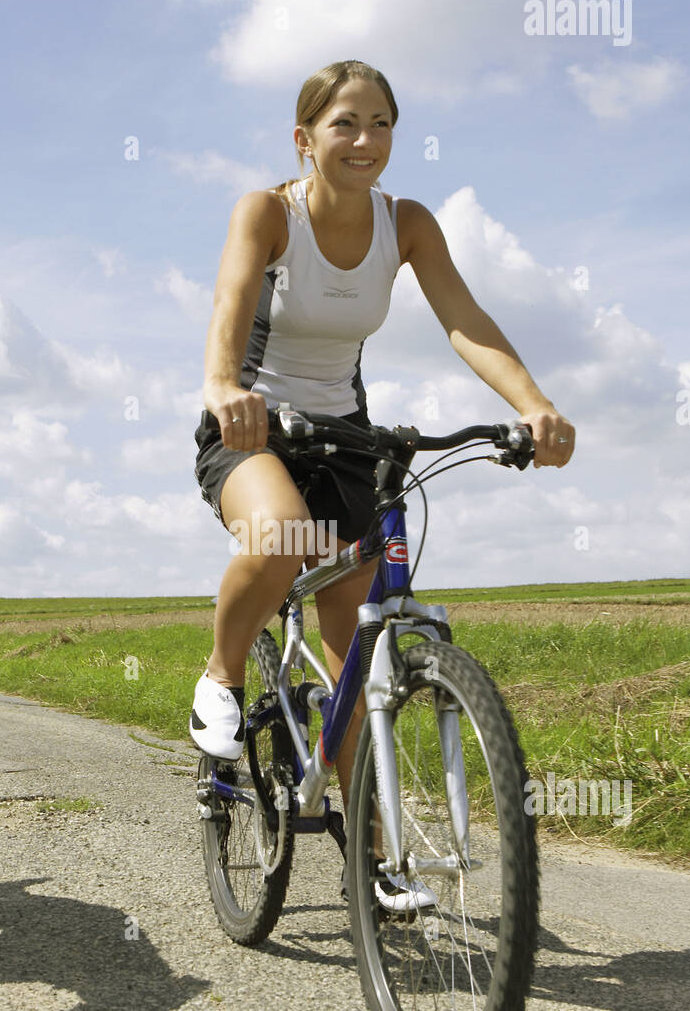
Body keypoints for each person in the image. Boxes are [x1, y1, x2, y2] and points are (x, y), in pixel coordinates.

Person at [190, 60, 575, 893]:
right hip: (252, 426)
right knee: (280, 535)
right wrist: (225, 387)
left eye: (382, 125)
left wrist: (534, 406)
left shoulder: (407, 224)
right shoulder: (268, 212)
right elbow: (230, 300)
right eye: (345, 124)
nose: (366, 141)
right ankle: (219, 677)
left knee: (357, 661)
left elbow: (464, 320)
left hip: (345, 438)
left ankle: (370, 858)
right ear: (305, 139)